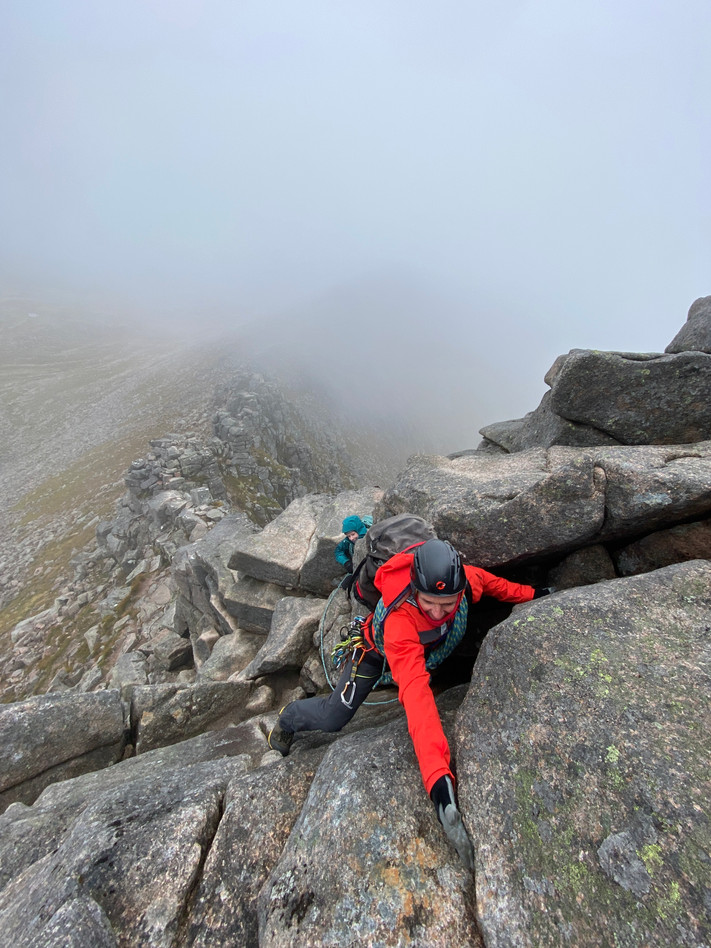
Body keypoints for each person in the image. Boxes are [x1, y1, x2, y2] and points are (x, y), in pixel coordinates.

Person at [268, 538, 552, 867]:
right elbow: (417, 697)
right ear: (415, 588)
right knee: (334, 716)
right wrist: (438, 780)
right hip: (375, 652)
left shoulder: (464, 582)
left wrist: (535, 596)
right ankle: (289, 718)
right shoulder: (401, 621)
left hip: (423, 650)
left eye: (446, 605)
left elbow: (494, 585)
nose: (436, 612)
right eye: (429, 603)